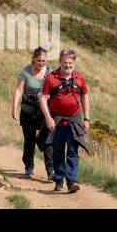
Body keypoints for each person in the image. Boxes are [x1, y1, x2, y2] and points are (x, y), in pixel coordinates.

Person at [39, 49, 91, 193]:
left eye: (70, 63)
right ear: (59, 63)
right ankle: (59, 180)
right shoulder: (51, 78)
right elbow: (43, 98)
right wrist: (48, 117)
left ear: (73, 63)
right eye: (64, 63)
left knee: (73, 151)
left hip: (75, 120)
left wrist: (86, 119)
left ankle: (72, 181)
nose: (67, 66)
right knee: (57, 152)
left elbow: (85, 97)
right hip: (56, 121)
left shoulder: (79, 78)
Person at [11, 47, 55, 181]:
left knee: (47, 140)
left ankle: (50, 170)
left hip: (44, 112)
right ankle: (29, 168)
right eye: (38, 60)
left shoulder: (50, 72)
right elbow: (19, 90)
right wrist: (14, 107)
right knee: (29, 140)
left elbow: (55, 91)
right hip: (28, 111)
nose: (41, 63)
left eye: (43, 61)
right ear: (33, 59)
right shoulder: (26, 72)